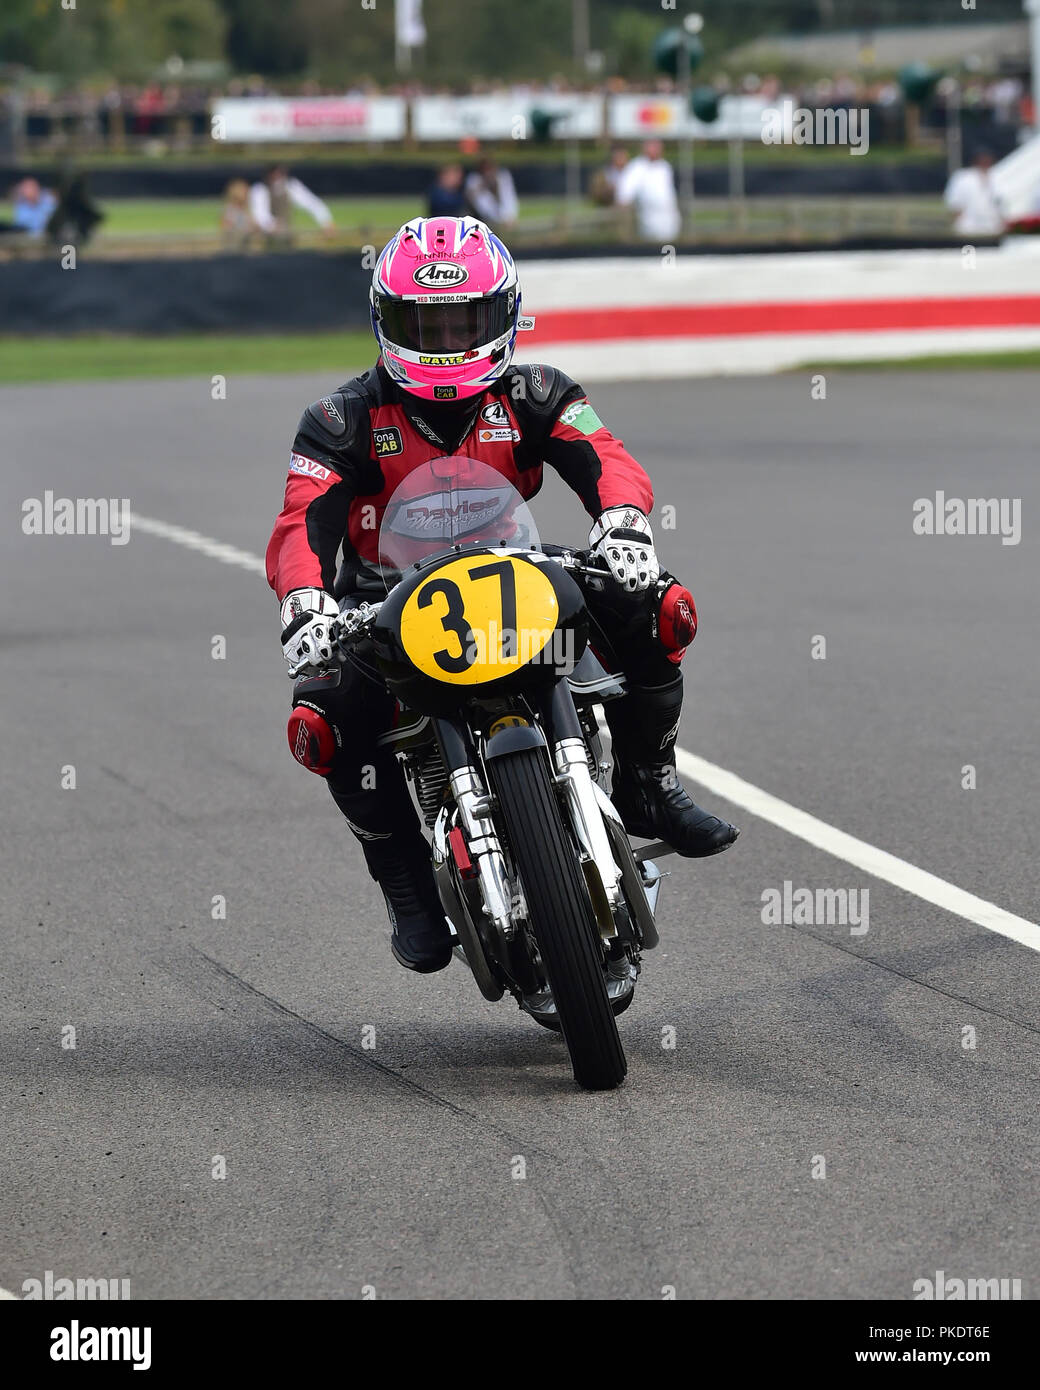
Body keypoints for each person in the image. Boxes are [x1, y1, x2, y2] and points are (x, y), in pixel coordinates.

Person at [266, 215, 738, 974]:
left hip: (518, 566)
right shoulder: (337, 420)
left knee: (660, 604)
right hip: (382, 598)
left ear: (505, 315)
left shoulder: (540, 390)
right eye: (426, 321)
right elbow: (301, 523)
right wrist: (306, 601)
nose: (447, 337)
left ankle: (648, 784)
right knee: (319, 718)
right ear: (385, 320)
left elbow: (604, 456)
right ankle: (406, 885)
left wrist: (621, 522)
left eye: (464, 319)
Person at [249, 164, 333, 245]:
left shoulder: (292, 186)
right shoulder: (259, 189)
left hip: (286, 236)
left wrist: (326, 222)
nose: (276, 175)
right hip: (266, 237)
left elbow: (312, 203)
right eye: (273, 172)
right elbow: (260, 214)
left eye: (279, 172)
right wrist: (272, 225)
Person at [615, 139, 681, 242]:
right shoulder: (636, 167)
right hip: (649, 223)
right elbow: (624, 195)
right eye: (652, 146)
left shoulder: (665, 166)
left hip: (670, 221)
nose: (656, 149)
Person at [944, 149, 1005, 237]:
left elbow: (1002, 203)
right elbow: (954, 203)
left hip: (993, 227)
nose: (985, 162)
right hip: (968, 227)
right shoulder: (962, 177)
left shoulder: (997, 177)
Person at [464, 157, 518, 229]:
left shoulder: (502, 177)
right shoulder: (474, 180)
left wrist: (509, 217)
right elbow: (472, 197)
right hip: (483, 217)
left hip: (505, 216)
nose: (488, 172)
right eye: (485, 169)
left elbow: (508, 198)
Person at [220, 178, 256, 249]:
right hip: (233, 247)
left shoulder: (246, 210)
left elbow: (251, 225)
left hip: (245, 246)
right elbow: (226, 228)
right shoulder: (230, 210)